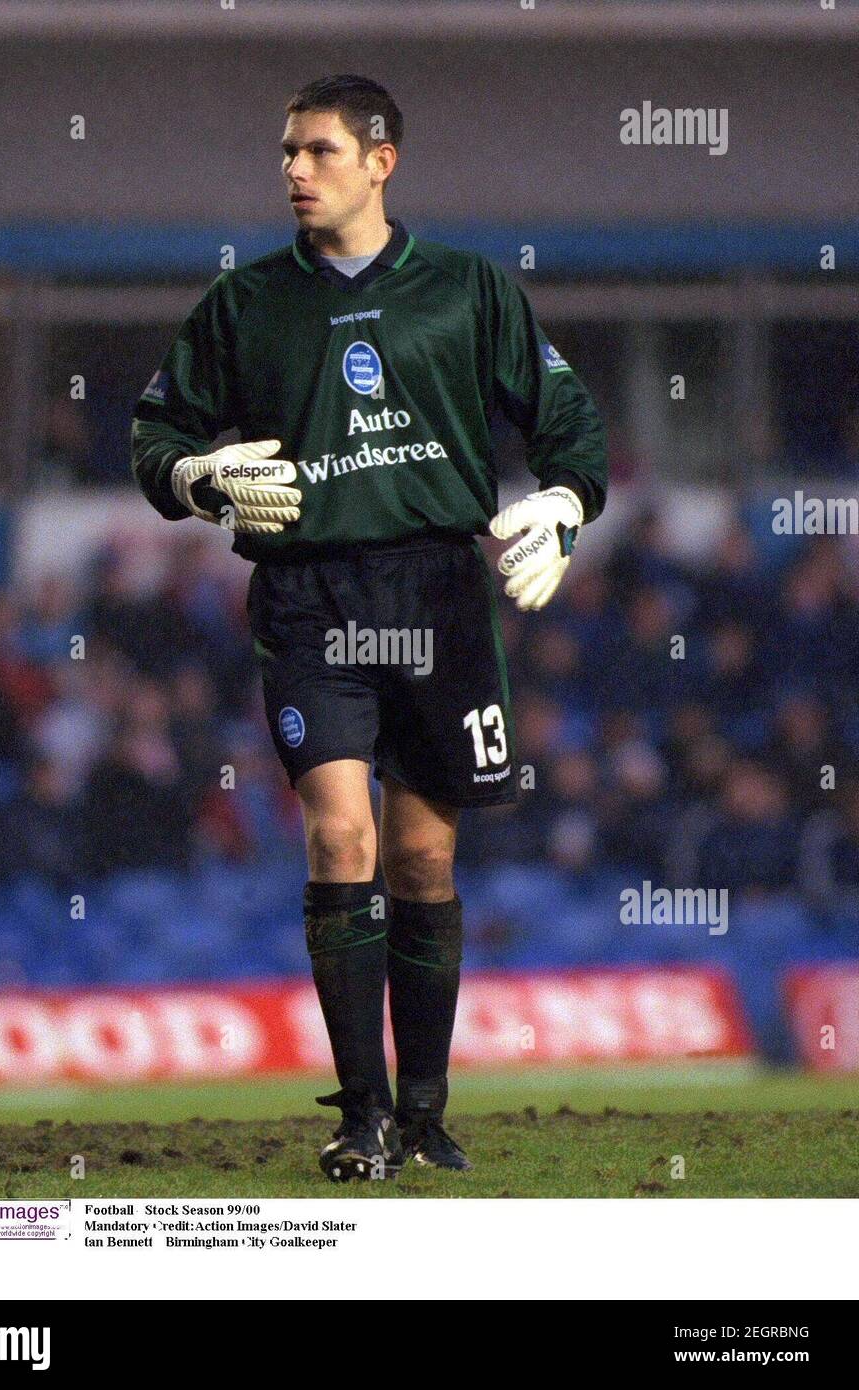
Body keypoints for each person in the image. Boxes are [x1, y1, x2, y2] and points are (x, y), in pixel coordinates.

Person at [132, 74, 607, 1181]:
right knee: (341, 839)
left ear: (382, 160)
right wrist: (197, 479)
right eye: (287, 153)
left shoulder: (467, 290)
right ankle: (363, 1116)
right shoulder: (244, 305)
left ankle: (429, 1109)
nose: (294, 171)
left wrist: (567, 498)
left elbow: (570, 422)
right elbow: (156, 434)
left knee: (425, 856)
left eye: (319, 151)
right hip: (310, 596)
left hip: (438, 593)